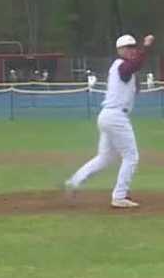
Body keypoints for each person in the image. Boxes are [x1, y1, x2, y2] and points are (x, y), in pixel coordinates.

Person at [65, 33, 154, 209]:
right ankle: (119, 195)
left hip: (108, 116)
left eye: (133, 47)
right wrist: (146, 48)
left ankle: (74, 181)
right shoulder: (121, 65)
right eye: (128, 47)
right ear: (119, 50)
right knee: (131, 156)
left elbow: (132, 75)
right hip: (115, 117)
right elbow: (133, 66)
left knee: (105, 157)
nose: (131, 50)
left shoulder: (122, 67)